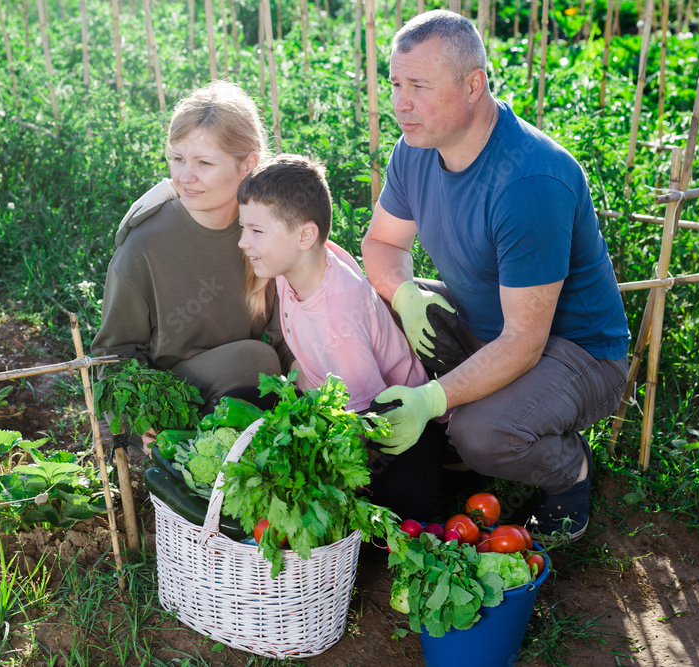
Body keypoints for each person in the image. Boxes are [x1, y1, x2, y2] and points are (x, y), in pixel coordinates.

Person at [362, 10, 630, 542]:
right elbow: (382, 243)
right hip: (493, 329)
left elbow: (524, 342)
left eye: (418, 86)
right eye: (395, 83)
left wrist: (432, 398)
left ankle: (569, 470)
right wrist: (405, 293)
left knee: (480, 432)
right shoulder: (416, 150)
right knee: (379, 310)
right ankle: (451, 447)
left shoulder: (529, 180)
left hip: (576, 353)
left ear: (472, 85)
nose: (399, 103)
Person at [237, 153, 446, 520]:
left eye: (255, 231)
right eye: (243, 228)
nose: (242, 242)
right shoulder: (303, 263)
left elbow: (364, 424)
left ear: (305, 235)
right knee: (241, 402)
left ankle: (436, 483)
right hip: (333, 402)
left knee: (399, 499)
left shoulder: (338, 321)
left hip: (392, 425)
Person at [91, 82, 292, 412]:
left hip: (257, 397)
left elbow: (289, 334)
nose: (185, 177)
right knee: (255, 360)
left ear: (248, 163)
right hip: (172, 402)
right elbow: (114, 355)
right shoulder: (144, 245)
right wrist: (147, 414)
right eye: (178, 159)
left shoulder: (268, 230)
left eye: (204, 163)